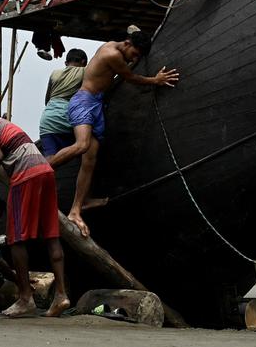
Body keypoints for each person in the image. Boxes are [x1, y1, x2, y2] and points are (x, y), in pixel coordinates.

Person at [54, 30, 179, 237]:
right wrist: (156, 80)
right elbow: (130, 77)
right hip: (83, 101)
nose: (135, 58)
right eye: (135, 54)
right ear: (128, 43)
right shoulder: (111, 54)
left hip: (95, 104)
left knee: (90, 158)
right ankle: (42, 167)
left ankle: (77, 208)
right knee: (82, 145)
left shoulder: (115, 46)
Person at [0, 115, 70, 318]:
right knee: (52, 235)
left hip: (25, 176)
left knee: (16, 239)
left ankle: (25, 298)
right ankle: (61, 295)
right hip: (45, 171)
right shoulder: (4, 125)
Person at [36, 48, 88, 158]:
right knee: (75, 154)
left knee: (50, 160)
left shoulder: (55, 73)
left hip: (47, 121)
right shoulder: (84, 71)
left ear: (66, 63)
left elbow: (47, 100)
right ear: (83, 62)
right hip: (66, 120)